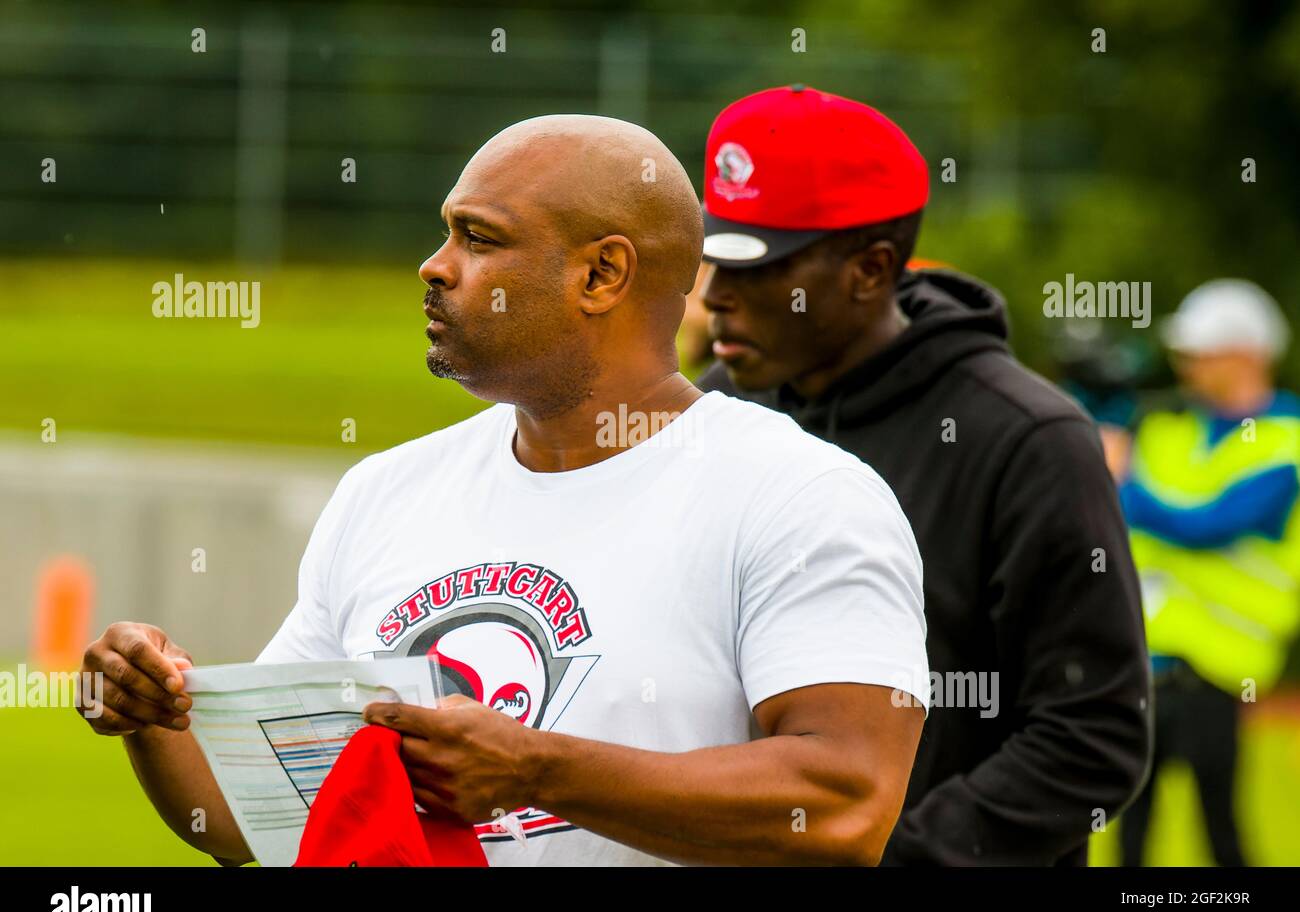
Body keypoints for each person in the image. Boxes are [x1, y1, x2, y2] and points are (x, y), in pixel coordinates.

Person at [77, 114, 932, 867]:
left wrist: (534, 770)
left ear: (601, 275)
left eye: (477, 239)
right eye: (446, 235)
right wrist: (154, 715)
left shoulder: (798, 496)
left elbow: (844, 804)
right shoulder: (387, 490)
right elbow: (254, 815)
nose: (434, 267)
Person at [696, 85, 1151, 865]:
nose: (713, 297)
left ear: (870, 269)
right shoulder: (705, 418)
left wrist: (881, 857)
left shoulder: (1027, 439)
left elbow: (1092, 736)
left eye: (759, 267)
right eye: (711, 255)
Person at [1117, 279, 1300, 867]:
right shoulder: (1171, 428)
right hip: (1146, 660)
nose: (1187, 364)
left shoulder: (1286, 441)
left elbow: (1211, 525)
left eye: (1201, 351)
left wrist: (1124, 481)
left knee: (1220, 831)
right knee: (1129, 828)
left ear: (1247, 353)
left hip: (1222, 668)